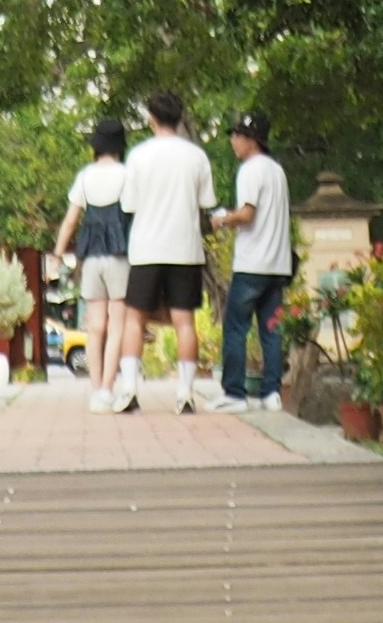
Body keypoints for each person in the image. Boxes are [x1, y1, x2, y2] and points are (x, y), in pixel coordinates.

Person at [112, 88, 222, 413]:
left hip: (146, 248)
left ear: (151, 118)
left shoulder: (138, 156)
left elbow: (128, 204)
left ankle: (129, 390)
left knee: (135, 319)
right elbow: (207, 202)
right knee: (184, 321)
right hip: (185, 248)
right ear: (180, 117)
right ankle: (185, 393)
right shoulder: (196, 157)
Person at [210, 111, 293, 410]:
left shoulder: (249, 170)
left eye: (238, 136)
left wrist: (222, 219)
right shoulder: (277, 171)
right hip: (278, 264)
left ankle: (234, 393)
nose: (233, 141)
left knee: (235, 328)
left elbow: (246, 214)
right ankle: (271, 393)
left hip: (251, 265)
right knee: (271, 331)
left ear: (252, 140)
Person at [48, 117, 135, 397]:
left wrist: (57, 255)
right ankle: (108, 388)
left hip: (91, 258)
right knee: (116, 326)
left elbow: (71, 220)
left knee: (95, 327)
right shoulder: (127, 175)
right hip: (120, 256)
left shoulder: (85, 176)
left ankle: (96, 388)